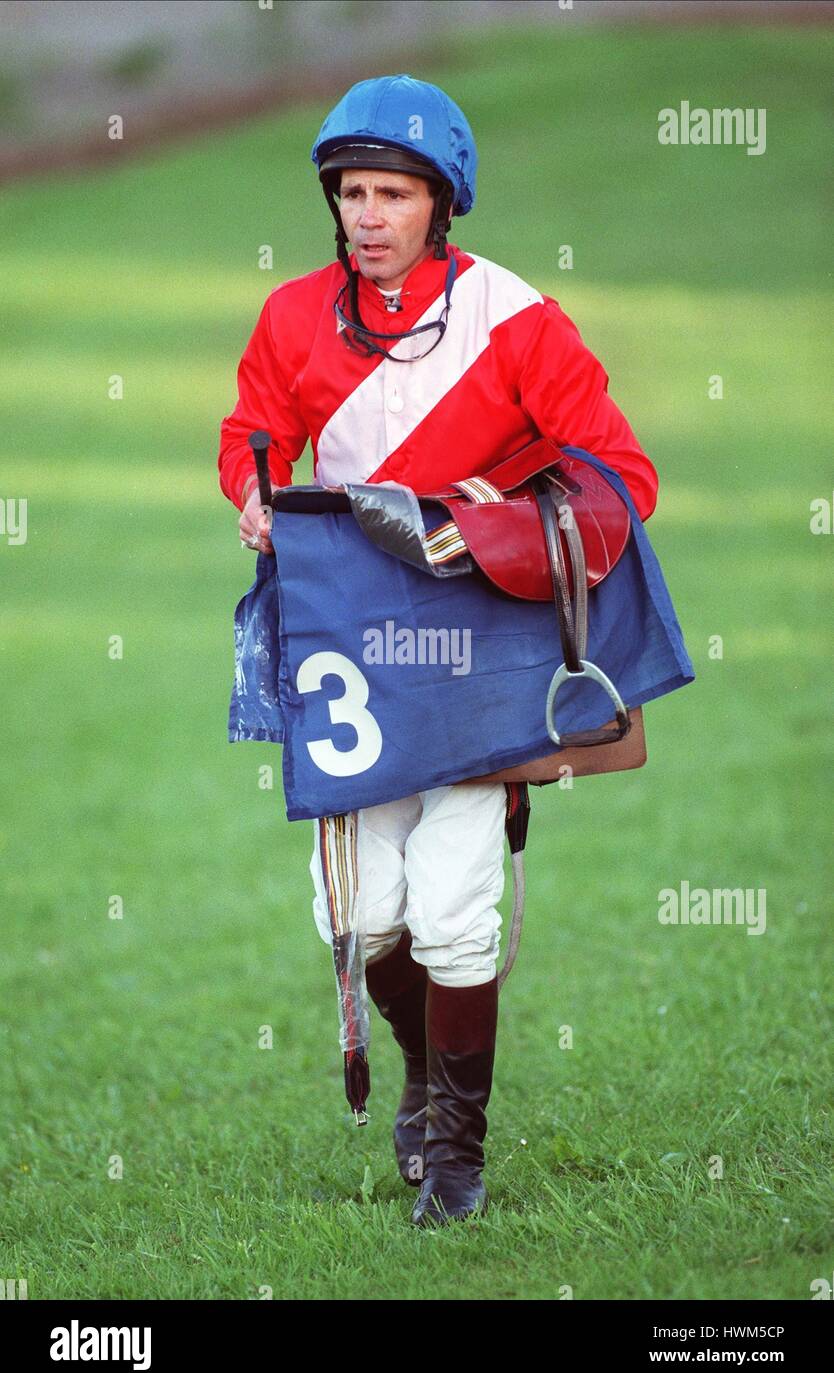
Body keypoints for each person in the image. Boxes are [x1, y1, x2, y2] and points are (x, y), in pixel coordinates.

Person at [218, 73, 658, 1227]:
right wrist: (255, 498)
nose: (369, 215)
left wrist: (492, 527)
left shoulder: (514, 317)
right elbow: (255, 433)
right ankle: (420, 1078)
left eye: (394, 194)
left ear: (440, 202)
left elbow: (623, 478)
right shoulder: (293, 315)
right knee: (361, 920)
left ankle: (456, 1159)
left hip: (480, 652)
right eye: (353, 193)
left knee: (456, 904)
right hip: (351, 650)